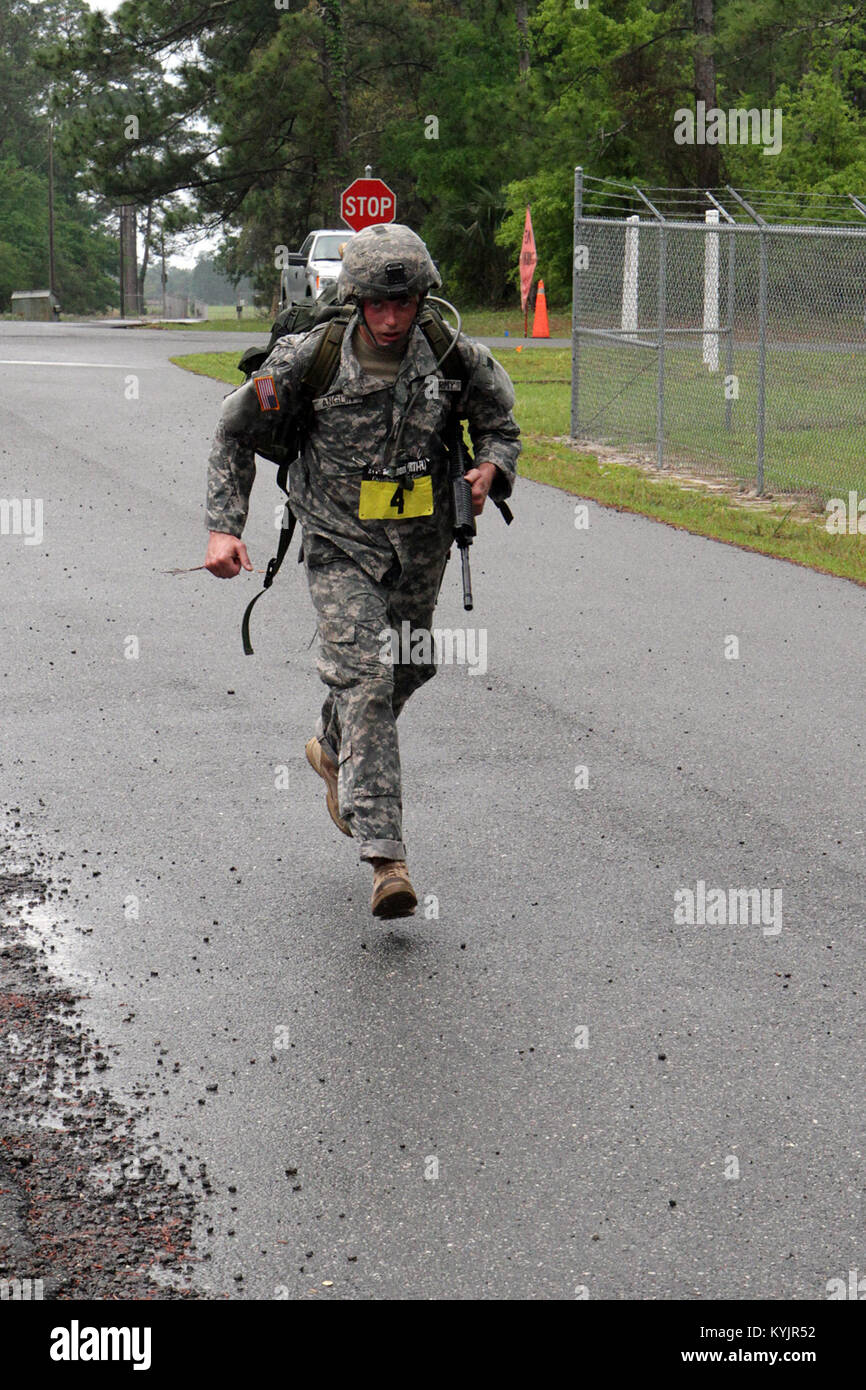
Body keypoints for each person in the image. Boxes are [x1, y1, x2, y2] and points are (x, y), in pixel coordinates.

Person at [204, 223, 520, 919]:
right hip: (339, 538)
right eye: (376, 303)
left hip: (421, 543)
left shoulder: (450, 355)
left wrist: (491, 467)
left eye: (402, 305)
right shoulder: (306, 359)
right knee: (369, 679)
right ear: (355, 300)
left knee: (408, 667)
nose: (390, 317)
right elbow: (234, 431)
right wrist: (225, 527)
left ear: (422, 301)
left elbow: (501, 420)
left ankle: (332, 747)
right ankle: (386, 856)